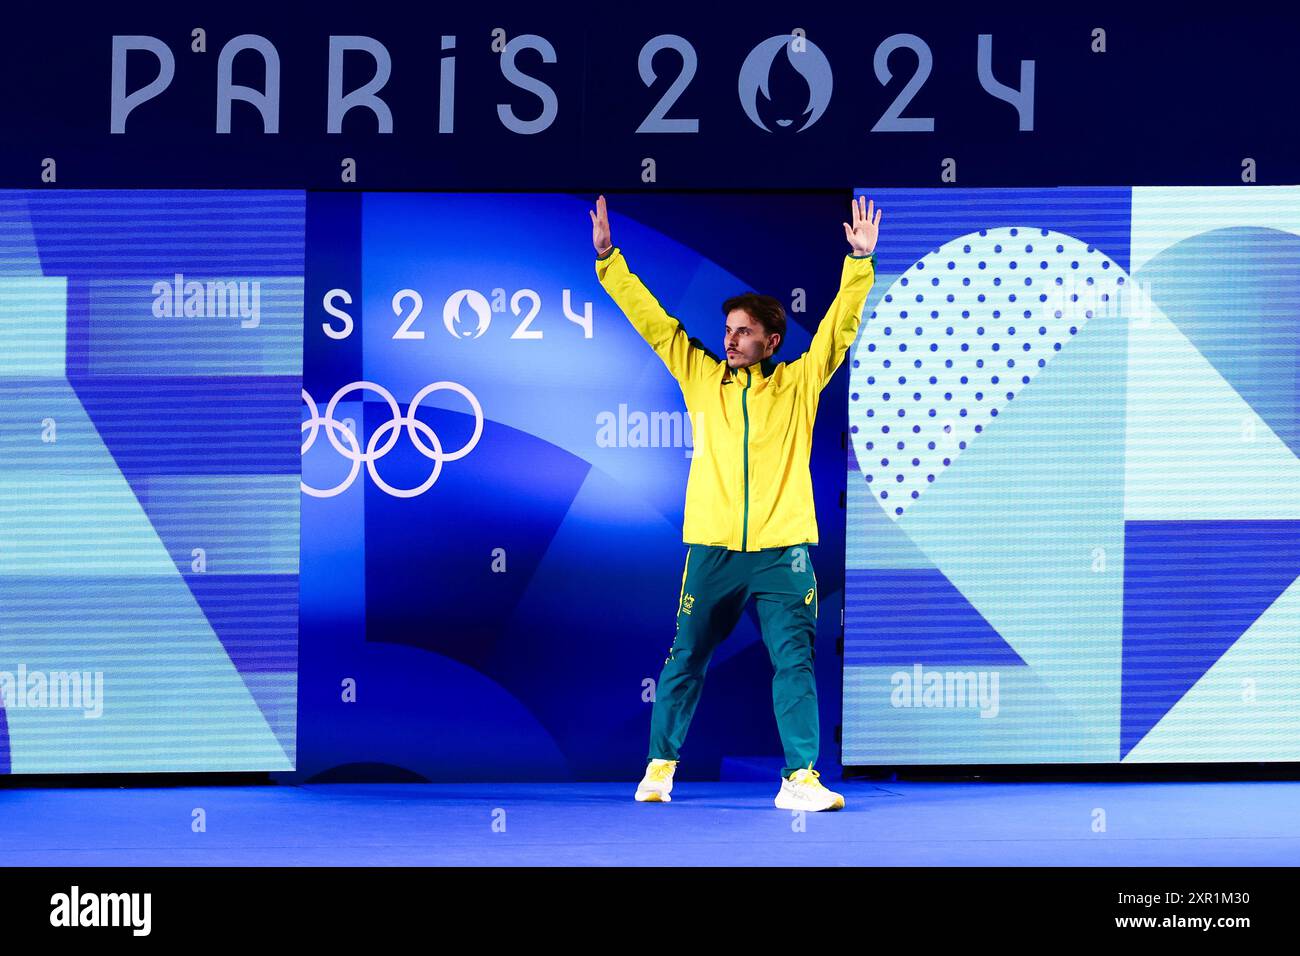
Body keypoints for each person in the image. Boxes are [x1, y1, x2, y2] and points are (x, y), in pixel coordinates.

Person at [590, 194, 881, 810]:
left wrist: (858, 264)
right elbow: (655, 324)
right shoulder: (700, 375)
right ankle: (660, 769)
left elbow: (837, 332)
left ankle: (799, 780)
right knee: (685, 656)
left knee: (795, 663)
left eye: (744, 332)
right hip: (713, 548)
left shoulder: (799, 383)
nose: (731, 339)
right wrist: (610, 260)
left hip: (783, 552)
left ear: (771, 340)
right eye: (728, 331)